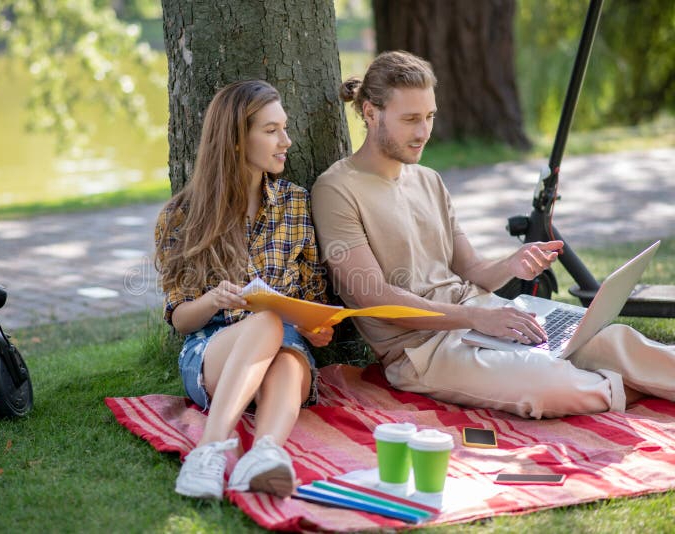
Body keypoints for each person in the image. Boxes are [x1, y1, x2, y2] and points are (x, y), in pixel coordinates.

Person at [311, 50, 675, 419]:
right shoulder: (336, 190)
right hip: (422, 350)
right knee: (547, 384)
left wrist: (512, 264)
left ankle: (620, 381)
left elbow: (472, 269)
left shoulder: (428, 180)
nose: (423, 132)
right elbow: (377, 299)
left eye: (429, 117)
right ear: (371, 113)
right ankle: (624, 388)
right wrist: (474, 319)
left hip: (484, 315)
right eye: (410, 120)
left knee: (613, 341)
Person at [154, 80, 333, 499]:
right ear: (236, 140)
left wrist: (317, 326)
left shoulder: (294, 202)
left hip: (286, 352)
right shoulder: (183, 215)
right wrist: (212, 300)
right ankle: (208, 451)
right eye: (271, 131)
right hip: (213, 350)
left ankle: (265, 453)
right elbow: (180, 319)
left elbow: (310, 295)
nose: (286, 141)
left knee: (289, 355)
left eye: (284, 128)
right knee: (267, 322)